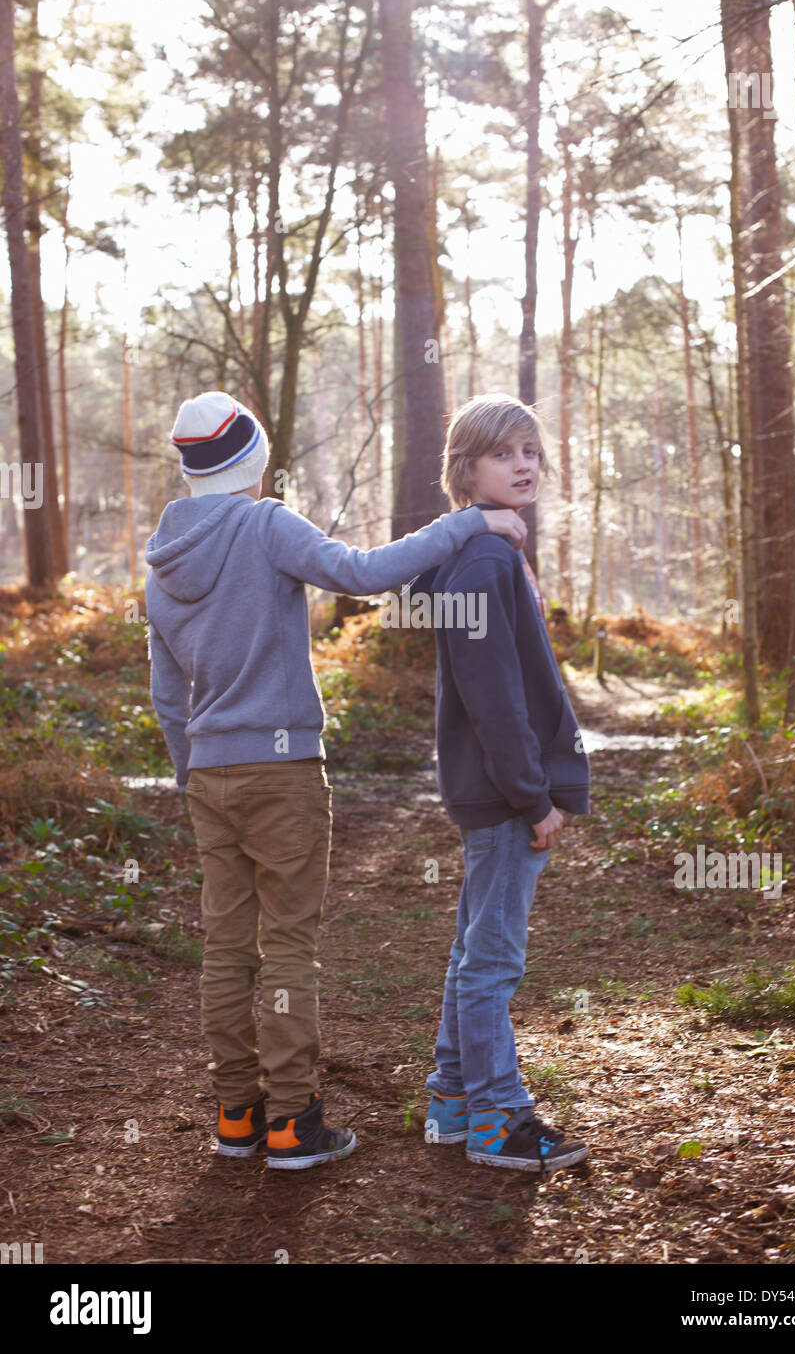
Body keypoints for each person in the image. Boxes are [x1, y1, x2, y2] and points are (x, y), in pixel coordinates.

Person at [144, 390, 527, 1170]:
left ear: (188, 468)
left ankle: (234, 1115)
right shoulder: (264, 524)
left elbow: (164, 695)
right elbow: (363, 573)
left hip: (209, 777)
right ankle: (292, 1123)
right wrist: (469, 522)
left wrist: (194, 773)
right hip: (281, 770)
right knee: (285, 946)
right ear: (251, 457)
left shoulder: (160, 562)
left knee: (225, 947)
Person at [412, 392, 591, 1173]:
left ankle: (452, 1099)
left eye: (529, 450)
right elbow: (494, 695)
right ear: (466, 469)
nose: (522, 464)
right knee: (491, 961)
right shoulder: (482, 560)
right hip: (502, 791)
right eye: (502, 453)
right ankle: (497, 1119)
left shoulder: (480, 555)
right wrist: (533, 795)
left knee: (472, 950)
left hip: (491, 788)